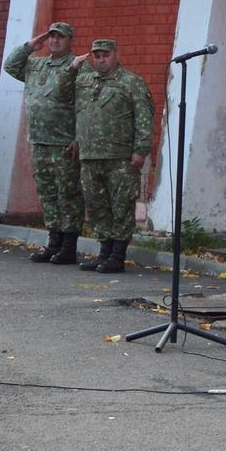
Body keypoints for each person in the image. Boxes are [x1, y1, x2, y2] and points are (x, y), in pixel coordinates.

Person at [1, 21, 83, 264]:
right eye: (51, 37)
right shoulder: (36, 64)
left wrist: (79, 137)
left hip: (63, 142)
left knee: (68, 194)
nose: (54, 41)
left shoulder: (78, 66)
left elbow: (84, 104)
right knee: (47, 194)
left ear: (70, 40)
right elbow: (10, 66)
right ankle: (54, 241)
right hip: (39, 141)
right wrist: (29, 45)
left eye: (60, 37)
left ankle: (69, 245)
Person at [72, 38, 155, 275]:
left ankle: (117, 256)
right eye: (97, 56)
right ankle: (104, 254)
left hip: (120, 157)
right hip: (90, 156)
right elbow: (79, 112)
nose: (101, 60)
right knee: (97, 206)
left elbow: (144, 118)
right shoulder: (85, 81)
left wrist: (140, 150)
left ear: (115, 55)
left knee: (121, 206)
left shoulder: (131, 82)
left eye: (105, 55)